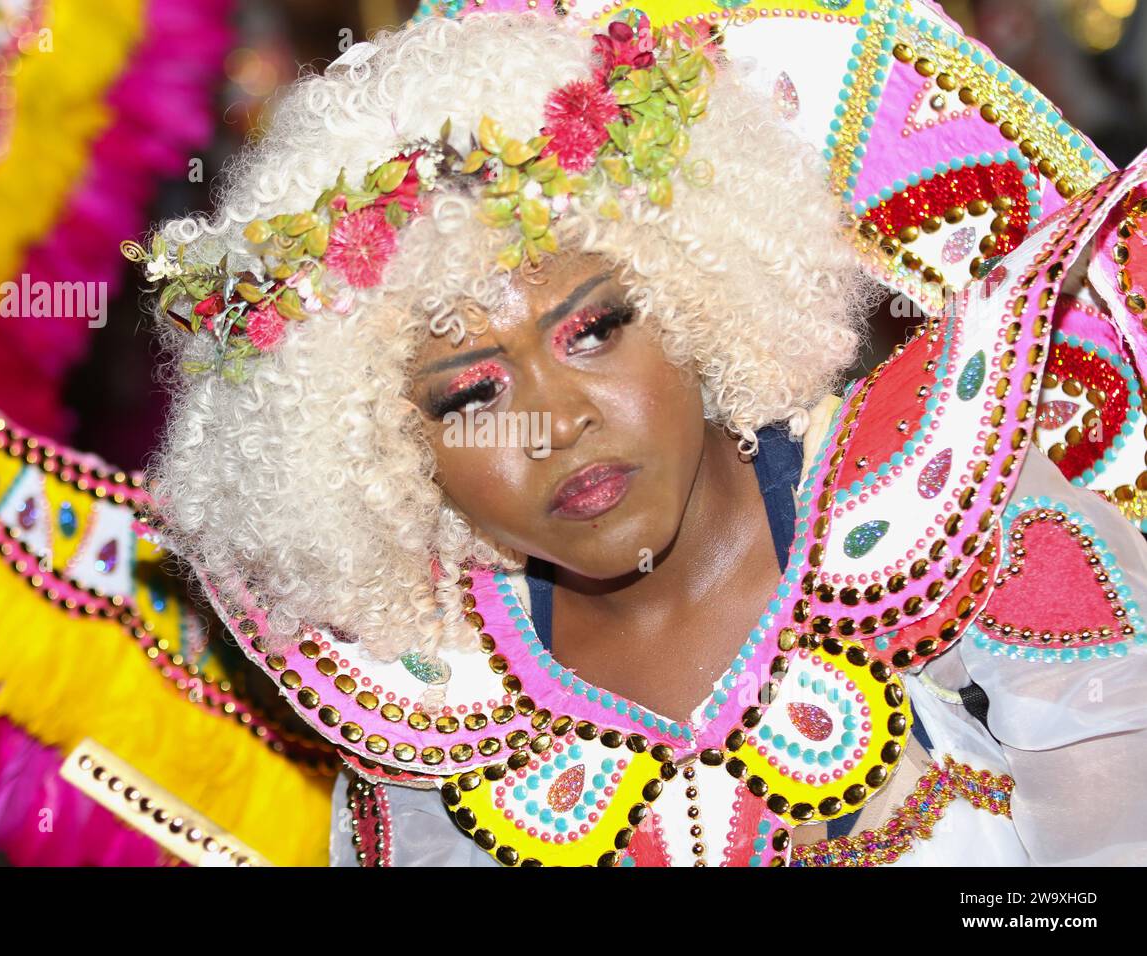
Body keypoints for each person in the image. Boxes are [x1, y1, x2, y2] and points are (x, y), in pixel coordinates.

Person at [134, 10, 1147, 866]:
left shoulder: (954, 513)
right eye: (471, 394)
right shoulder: (427, 720)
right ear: (397, 462)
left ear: (695, 305)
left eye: (595, 330)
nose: (558, 420)